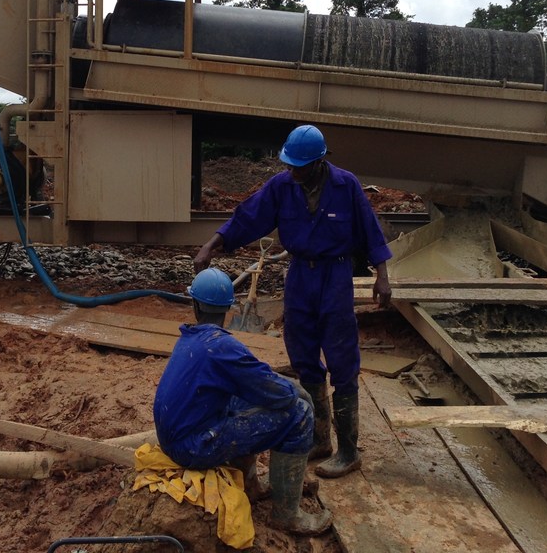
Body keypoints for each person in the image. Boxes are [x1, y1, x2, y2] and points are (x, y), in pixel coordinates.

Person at [193, 124, 392, 479]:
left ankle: (348, 450)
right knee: (302, 353)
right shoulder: (282, 186)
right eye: (289, 164)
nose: (292, 170)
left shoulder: (346, 186)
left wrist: (383, 275)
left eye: (299, 165)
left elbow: (370, 230)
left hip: (335, 276)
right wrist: (212, 243)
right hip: (300, 275)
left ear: (318, 162)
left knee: (342, 358)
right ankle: (320, 439)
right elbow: (248, 216)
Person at [153, 268, 334, 536]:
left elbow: (253, 381)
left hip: (177, 437)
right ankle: (287, 515)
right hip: (193, 447)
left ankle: (251, 486)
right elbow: (278, 394)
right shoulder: (223, 347)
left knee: (241, 398)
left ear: (194, 305)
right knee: (300, 414)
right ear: (228, 308)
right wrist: (296, 389)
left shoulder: (191, 338)